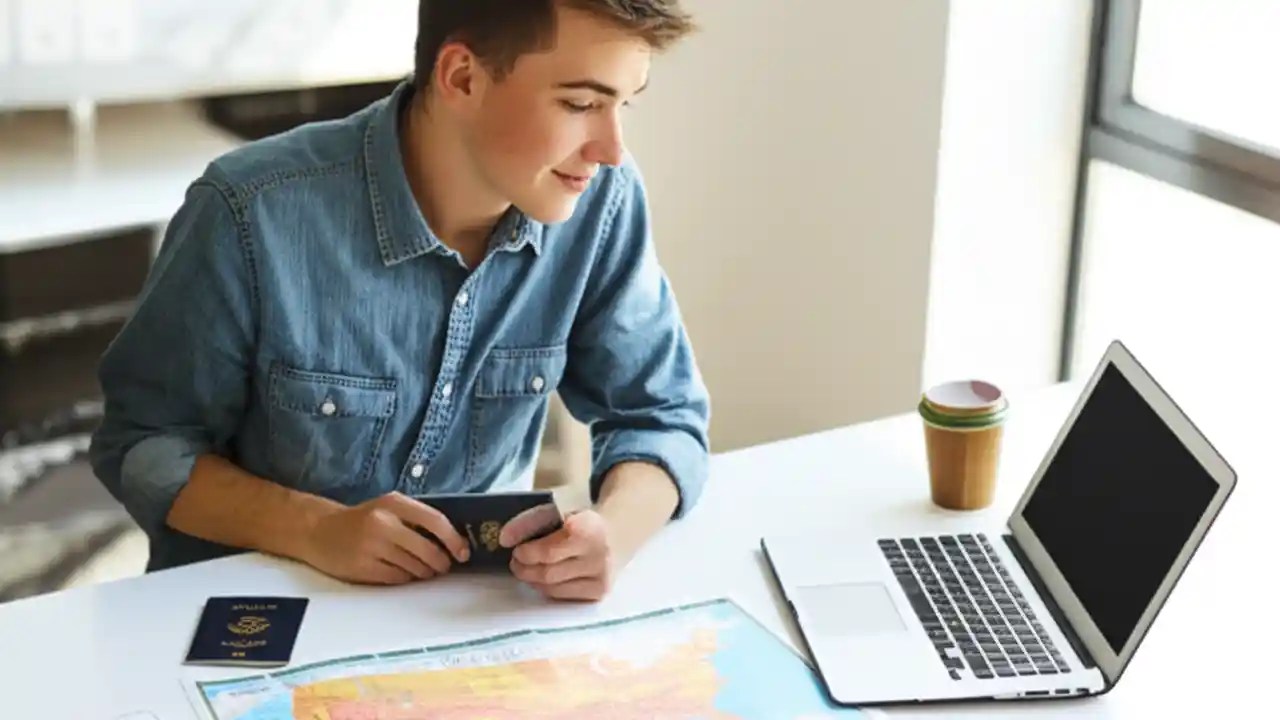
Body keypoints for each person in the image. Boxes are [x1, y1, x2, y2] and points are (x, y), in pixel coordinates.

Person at [89, 0, 709, 602]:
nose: (611, 149)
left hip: (463, 634)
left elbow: (661, 418)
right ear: (462, 78)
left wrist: (615, 535)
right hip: (254, 623)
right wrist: (316, 528)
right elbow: (146, 444)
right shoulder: (251, 211)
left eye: (624, 103)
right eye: (580, 104)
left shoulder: (602, 202)